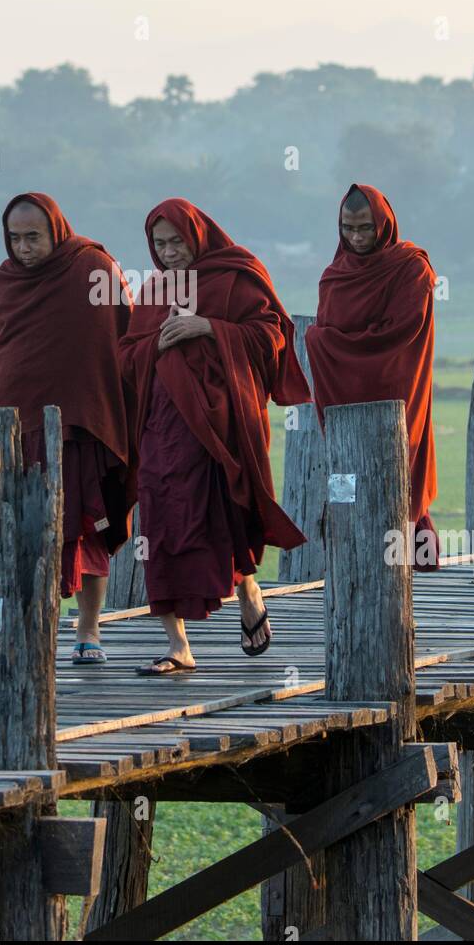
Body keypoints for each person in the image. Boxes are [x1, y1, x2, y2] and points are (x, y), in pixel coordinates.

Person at [119, 198, 311, 674]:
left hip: (219, 426)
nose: (167, 253)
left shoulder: (235, 275)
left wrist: (208, 327)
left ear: (197, 234)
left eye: (176, 242)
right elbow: (125, 356)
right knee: (159, 524)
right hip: (160, 427)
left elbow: (271, 335)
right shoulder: (155, 289)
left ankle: (248, 591)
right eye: (158, 244)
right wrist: (154, 345)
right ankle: (177, 646)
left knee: (220, 515)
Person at [0, 192, 135, 663]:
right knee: (0, 529)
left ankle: (89, 631)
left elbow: (122, 336)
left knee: (86, 526)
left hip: (77, 426)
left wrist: (105, 413)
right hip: (13, 430)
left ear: (56, 230)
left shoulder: (92, 269)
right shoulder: (4, 281)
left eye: (33, 237)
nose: (23, 248)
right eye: (14, 238)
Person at [305, 183, 439, 570]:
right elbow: (329, 327)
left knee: (399, 478)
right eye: (348, 228)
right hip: (346, 401)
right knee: (353, 484)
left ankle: (414, 579)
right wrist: (321, 340)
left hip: (397, 390)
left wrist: (323, 341)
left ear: (384, 224)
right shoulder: (335, 275)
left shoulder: (410, 267)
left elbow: (399, 332)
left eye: (366, 228)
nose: (357, 238)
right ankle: (363, 571)